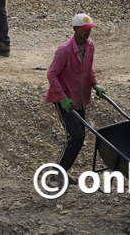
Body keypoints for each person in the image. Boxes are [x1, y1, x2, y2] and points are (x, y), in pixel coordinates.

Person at [46, 13, 106, 170]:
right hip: (64, 99)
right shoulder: (64, 50)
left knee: (80, 137)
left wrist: (96, 84)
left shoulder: (90, 46)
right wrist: (62, 98)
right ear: (75, 29)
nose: (88, 32)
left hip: (79, 98)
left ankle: (61, 172)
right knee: (76, 136)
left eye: (89, 29)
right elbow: (52, 74)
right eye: (84, 29)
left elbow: (88, 69)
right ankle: (57, 173)